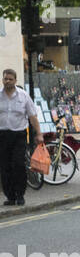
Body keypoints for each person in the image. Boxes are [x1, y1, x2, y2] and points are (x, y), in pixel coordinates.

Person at [0, 69, 43, 207]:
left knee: (18, 164)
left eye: (10, 79)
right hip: (2, 135)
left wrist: (39, 133)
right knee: (5, 166)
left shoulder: (23, 96)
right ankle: (10, 196)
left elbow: (32, 116)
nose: (7, 81)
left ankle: (20, 195)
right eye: (5, 79)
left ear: (15, 80)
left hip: (19, 135)